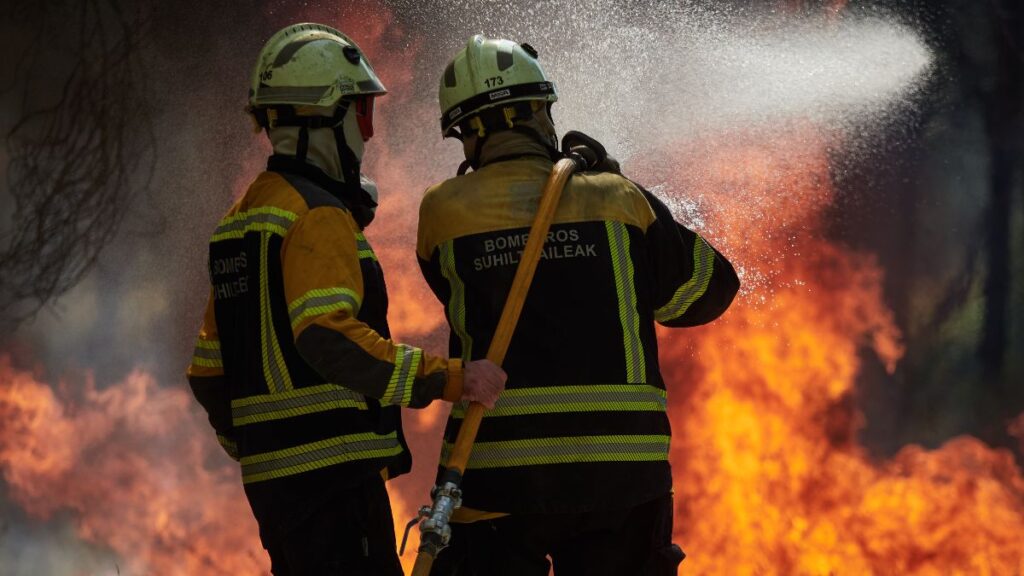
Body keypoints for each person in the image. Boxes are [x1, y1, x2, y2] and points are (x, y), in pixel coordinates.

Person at [186, 23, 505, 576]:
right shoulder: (316, 215)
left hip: (278, 491)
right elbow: (328, 338)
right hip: (333, 479)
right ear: (322, 118)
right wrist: (451, 379)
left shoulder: (241, 222)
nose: (368, 134)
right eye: (361, 113)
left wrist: (264, 451)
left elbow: (209, 373)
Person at [416, 35, 740, 576]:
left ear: (466, 134)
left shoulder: (442, 213)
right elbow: (706, 294)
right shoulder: (616, 197)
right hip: (620, 478)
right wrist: (618, 181)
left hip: (497, 474)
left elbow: (452, 294)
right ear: (543, 111)